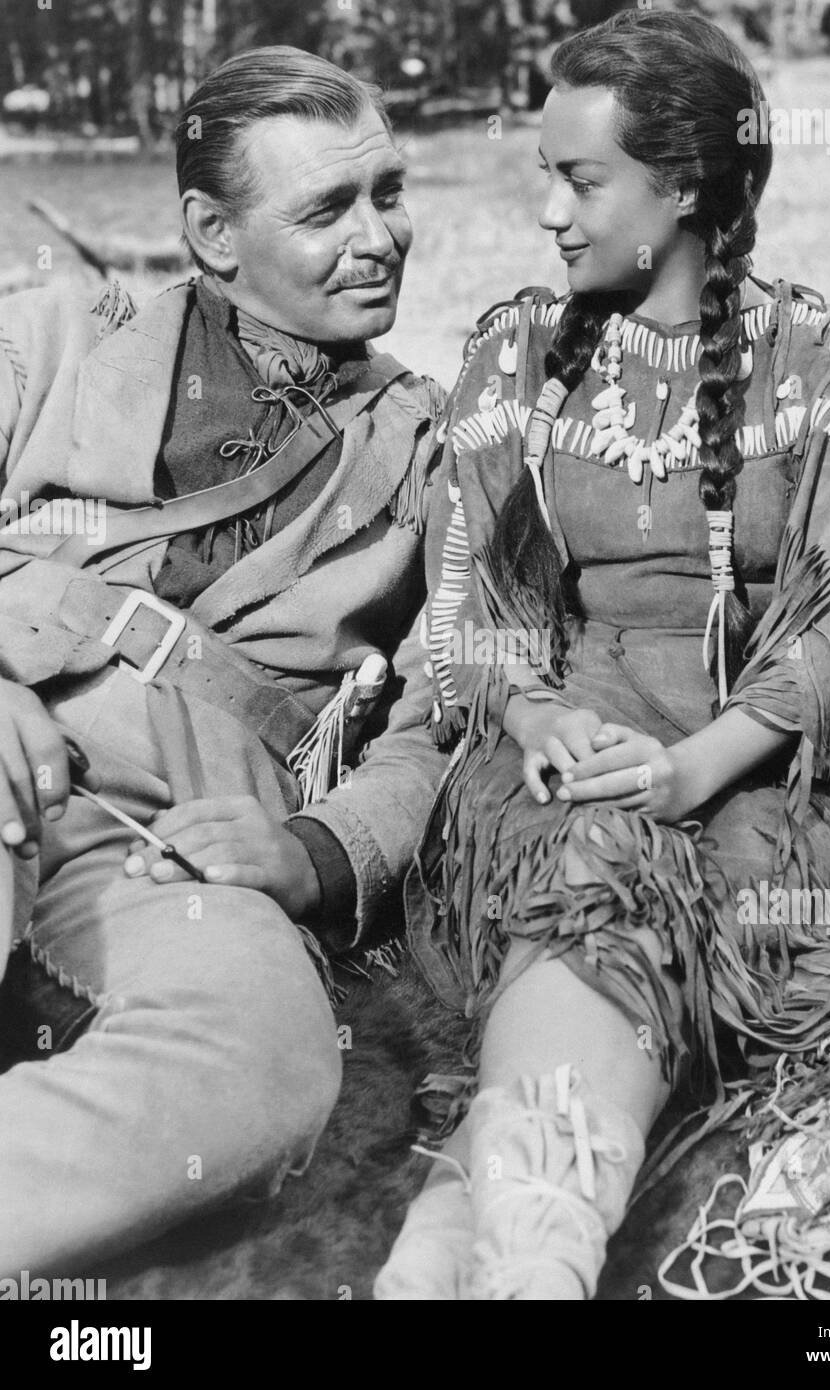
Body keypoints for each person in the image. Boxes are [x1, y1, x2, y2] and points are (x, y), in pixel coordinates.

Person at [374, 8, 830, 1300]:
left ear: (680, 186)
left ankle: (458, 1255)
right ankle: (532, 1264)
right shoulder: (514, 351)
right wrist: (534, 722)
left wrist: (688, 769)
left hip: (759, 775)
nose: (547, 214)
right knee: (589, 849)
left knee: (648, 869)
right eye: (541, 177)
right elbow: (474, 603)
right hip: (564, 753)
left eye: (578, 180)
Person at [0, 47, 449, 1275]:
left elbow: (448, 713)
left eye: (390, 193)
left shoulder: (436, 451)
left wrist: (314, 853)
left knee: (261, 1067)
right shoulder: (48, 334)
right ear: (211, 231)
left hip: (162, 840)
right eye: (327, 209)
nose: (381, 237)